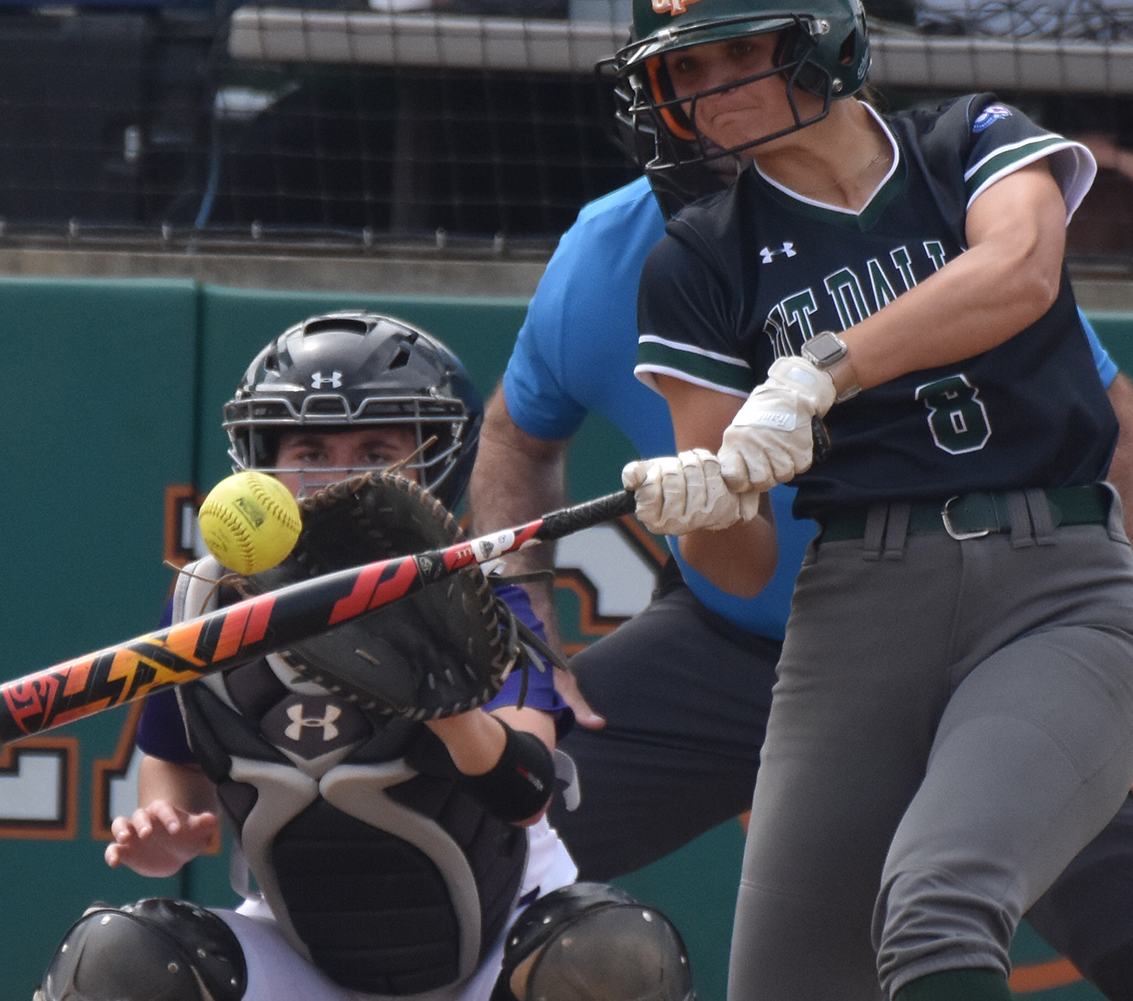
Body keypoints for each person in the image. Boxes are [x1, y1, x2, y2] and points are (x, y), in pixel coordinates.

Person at [603, 0, 1133, 1001]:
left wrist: (818, 368)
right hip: (852, 613)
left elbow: (1017, 273)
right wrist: (696, 505)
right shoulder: (696, 258)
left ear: (818, 36)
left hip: (1049, 585)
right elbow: (740, 566)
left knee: (938, 904)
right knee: (783, 983)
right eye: (680, 68)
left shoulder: (967, 140)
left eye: (735, 53)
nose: (703, 92)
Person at [46, 311, 695, 1001]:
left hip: (501, 946)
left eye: (376, 449)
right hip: (304, 952)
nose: (340, 475)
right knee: (121, 958)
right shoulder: (206, 604)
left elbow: (525, 791)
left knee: (616, 957)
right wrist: (168, 831)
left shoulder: (488, 599)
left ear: (432, 460)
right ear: (264, 464)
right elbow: (174, 764)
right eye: (311, 453)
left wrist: (439, 700)